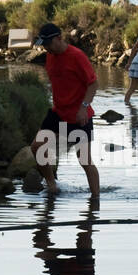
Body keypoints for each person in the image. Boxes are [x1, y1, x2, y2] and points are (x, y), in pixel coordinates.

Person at [29, 22, 100, 199]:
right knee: (37, 147)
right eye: (43, 44)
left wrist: (83, 108)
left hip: (79, 116)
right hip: (58, 112)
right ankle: (51, 184)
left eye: (48, 43)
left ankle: (96, 201)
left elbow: (93, 84)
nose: (45, 47)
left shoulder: (77, 56)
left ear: (59, 38)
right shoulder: (50, 56)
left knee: (84, 160)